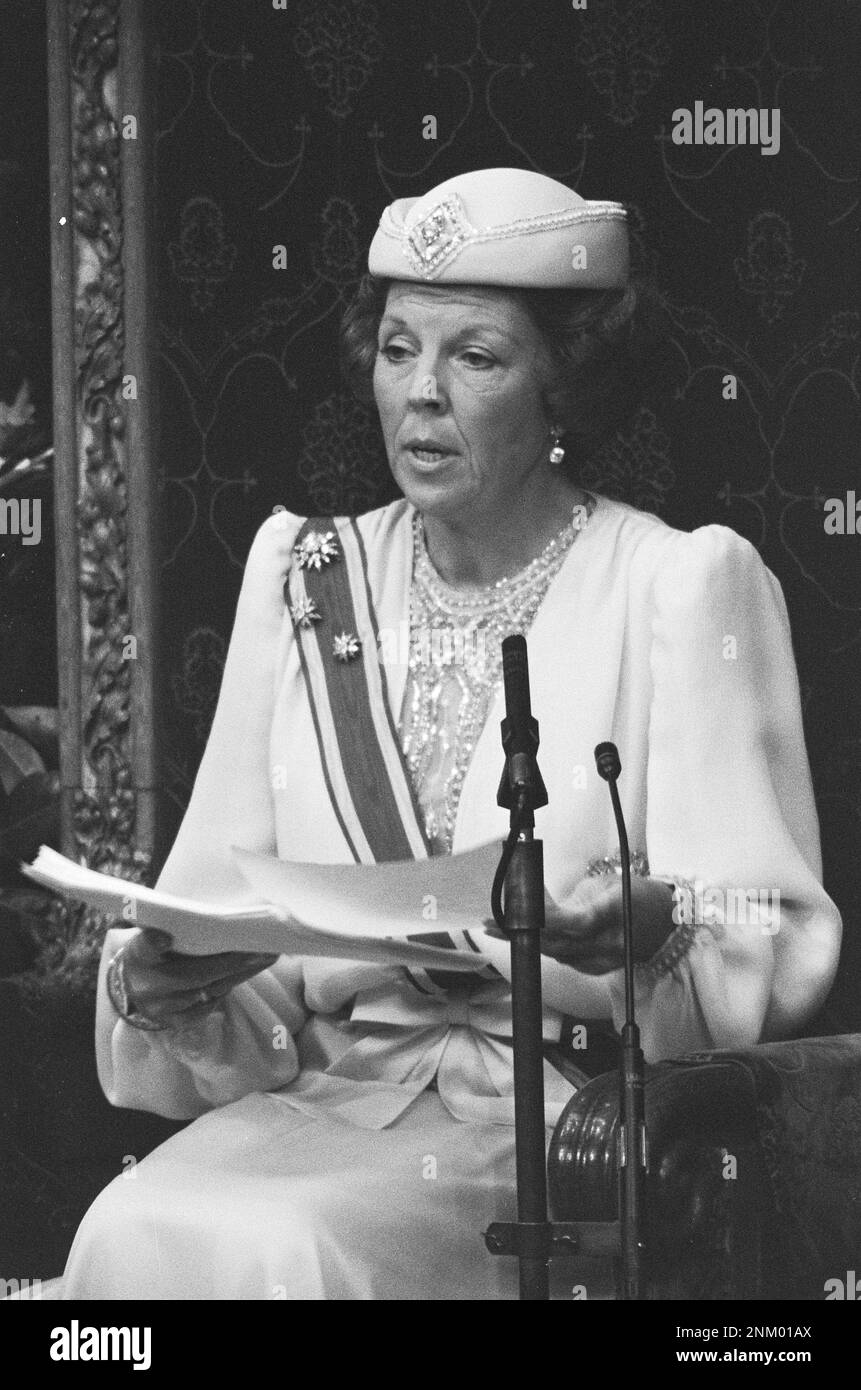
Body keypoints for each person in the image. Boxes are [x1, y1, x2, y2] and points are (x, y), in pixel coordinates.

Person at [61, 168, 840, 1300]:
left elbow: (765, 932)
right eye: (395, 349)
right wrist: (180, 977)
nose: (420, 394)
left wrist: (649, 932)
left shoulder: (676, 587)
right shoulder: (302, 574)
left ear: (564, 385)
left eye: (474, 356)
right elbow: (234, 931)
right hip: (325, 1100)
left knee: (287, 1247)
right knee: (132, 1224)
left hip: (551, 1124)